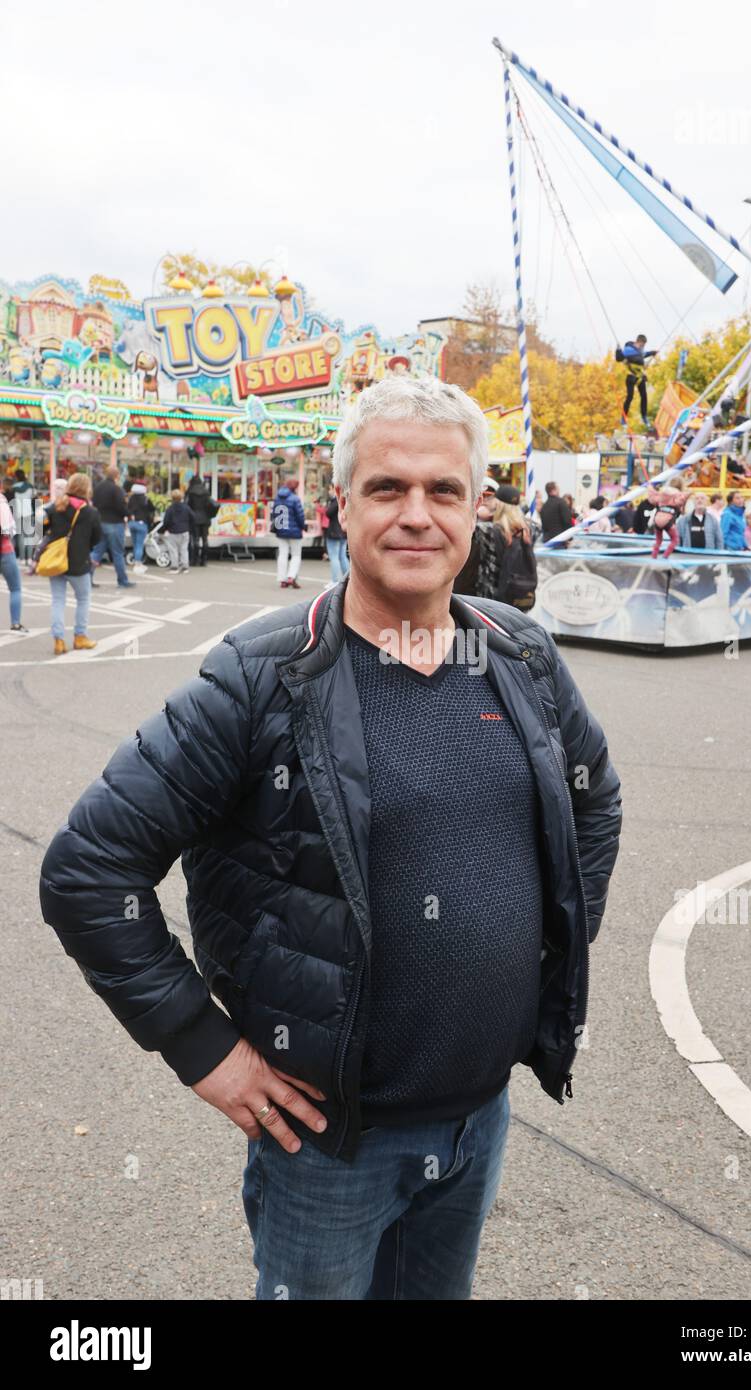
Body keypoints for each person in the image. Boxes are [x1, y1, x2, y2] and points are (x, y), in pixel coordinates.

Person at [39, 375, 622, 1301]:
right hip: (327, 1146)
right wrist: (207, 1051)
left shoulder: (519, 654)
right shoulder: (260, 677)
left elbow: (594, 801)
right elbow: (88, 871)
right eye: (387, 489)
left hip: (479, 1118)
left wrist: (544, 949)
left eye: (443, 491)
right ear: (340, 506)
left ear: (478, 508)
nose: (416, 516)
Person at [41, 472, 101, 655]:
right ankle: (80, 637)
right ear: (86, 489)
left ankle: (58, 641)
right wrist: (85, 547)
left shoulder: (55, 506)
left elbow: (38, 529)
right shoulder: (90, 512)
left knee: (58, 600)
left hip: (56, 562)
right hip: (79, 562)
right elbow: (97, 537)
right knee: (83, 599)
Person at [91, 465, 135, 589]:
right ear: (116, 476)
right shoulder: (116, 489)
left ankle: (87, 578)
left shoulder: (98, 488)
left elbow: (94, 503)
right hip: (115, 523)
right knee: (117, 553)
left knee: (97, 552)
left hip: (100, 522)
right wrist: (129, 515)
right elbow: (120, 507)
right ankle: (122, 581)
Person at [271, 475, 307, 589]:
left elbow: (274, 514)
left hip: (281, 530)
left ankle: (282, 579)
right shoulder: (295, 499)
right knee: (296, 555)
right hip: (295, 531)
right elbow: (300, 516)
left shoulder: (277, 497)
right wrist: (303, 526)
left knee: (282, 554)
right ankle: (291, 577)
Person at [0, 489, 26, 633]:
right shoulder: (2, 503)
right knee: (15, 588)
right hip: (5, 551)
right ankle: (15, 623)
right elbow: (8, 529)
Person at [646, 475, 686, 558]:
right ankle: (665, 557)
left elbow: (652, 498)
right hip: (668, 520)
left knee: (658, 541)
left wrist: (650, 488)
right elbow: (680, 502)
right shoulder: (678, 495)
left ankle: (653, 557)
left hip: (657, 519)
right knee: (675, 540)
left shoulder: (662, 494)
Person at [621, 334, 656, 428]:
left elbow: (643, 354)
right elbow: (624, 355)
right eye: (642, 345)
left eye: (644, 346)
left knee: (644, 396)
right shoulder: (628, 349)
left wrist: (652, 352)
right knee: (630, 396)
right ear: (638, 342)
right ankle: (623, 418)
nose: (642, 347)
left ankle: (644, 416)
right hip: (630, 376)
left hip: (639, 376)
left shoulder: (640, 351)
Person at [186, 475, 217, 567]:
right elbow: (211, 504)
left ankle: (194, 560)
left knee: (194, 539)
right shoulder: (206, 492)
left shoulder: (190, 492)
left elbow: (187, 505)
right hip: (205, 518)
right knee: (205, 540)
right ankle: (204, 560)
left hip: (194, 518)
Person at [161, 488, 195, 573]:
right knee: (184, 549)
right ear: (181, 497)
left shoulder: (170, 509)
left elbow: (166, 521)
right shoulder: (186, 507)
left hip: (173, 531)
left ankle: (174, 566)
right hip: (185, 531)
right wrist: (189, 527)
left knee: (173, 549)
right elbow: (193, 517)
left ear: (172, 498)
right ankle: (185, 566)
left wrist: (165, 529)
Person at [127, 478, 155, 574]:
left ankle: (136, 561)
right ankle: (138, 564)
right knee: (139, 545)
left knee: (135, 544)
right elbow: (152, 509)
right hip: (142, 523)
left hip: (131, 523)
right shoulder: (146, 499)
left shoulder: (131, 499)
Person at [323, 482, 349, 583]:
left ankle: (335, 581)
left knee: (334, 557)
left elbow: (328, 513)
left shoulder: (336, 501)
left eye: (330, 489)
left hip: (334, 533)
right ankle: (348, 578)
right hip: (342, 532)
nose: (329, 491)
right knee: (342, 556)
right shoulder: (347, 499)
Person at [11, 468, 36, 562]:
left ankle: (21, 558)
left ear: (16, 476)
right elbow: (34, 498)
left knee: (20, 536)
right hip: (28, 512)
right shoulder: (30, 486)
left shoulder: (14, 487)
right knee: (29, 535)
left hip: (18, 513)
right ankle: (29, 558)